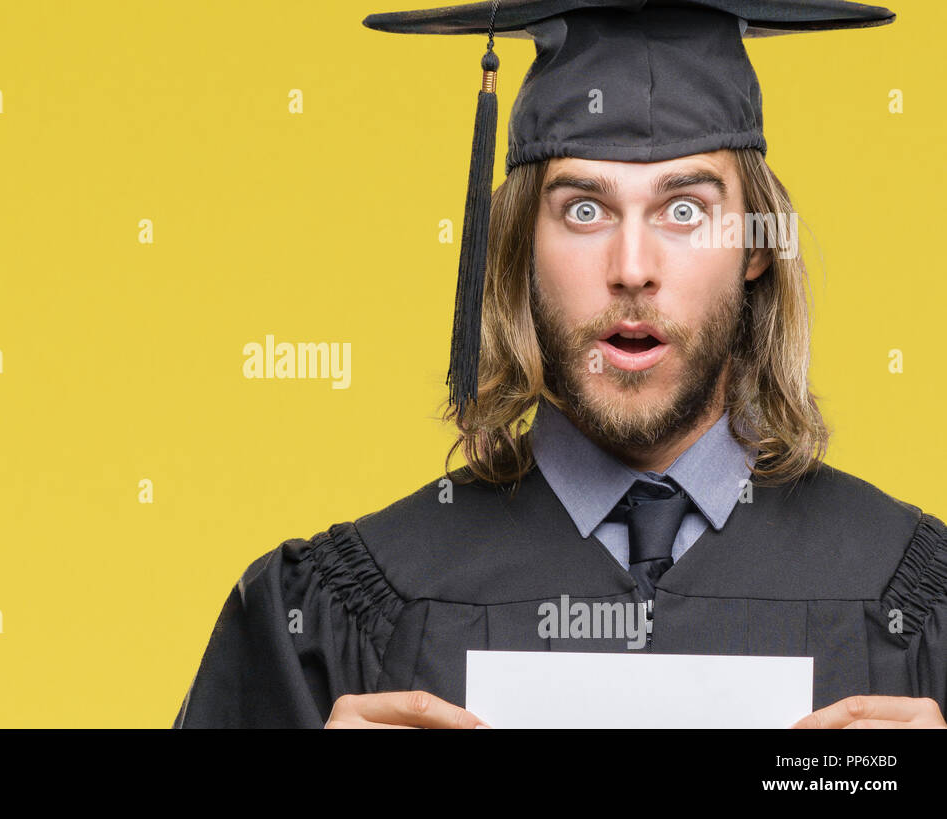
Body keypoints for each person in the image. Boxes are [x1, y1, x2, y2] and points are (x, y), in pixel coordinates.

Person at [174, 0, 947, 729]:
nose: (633, 266)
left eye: (685, 210)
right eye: (584, 209)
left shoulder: (916, 605)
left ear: (753, 246)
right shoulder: (335, 619)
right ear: (519, 248)